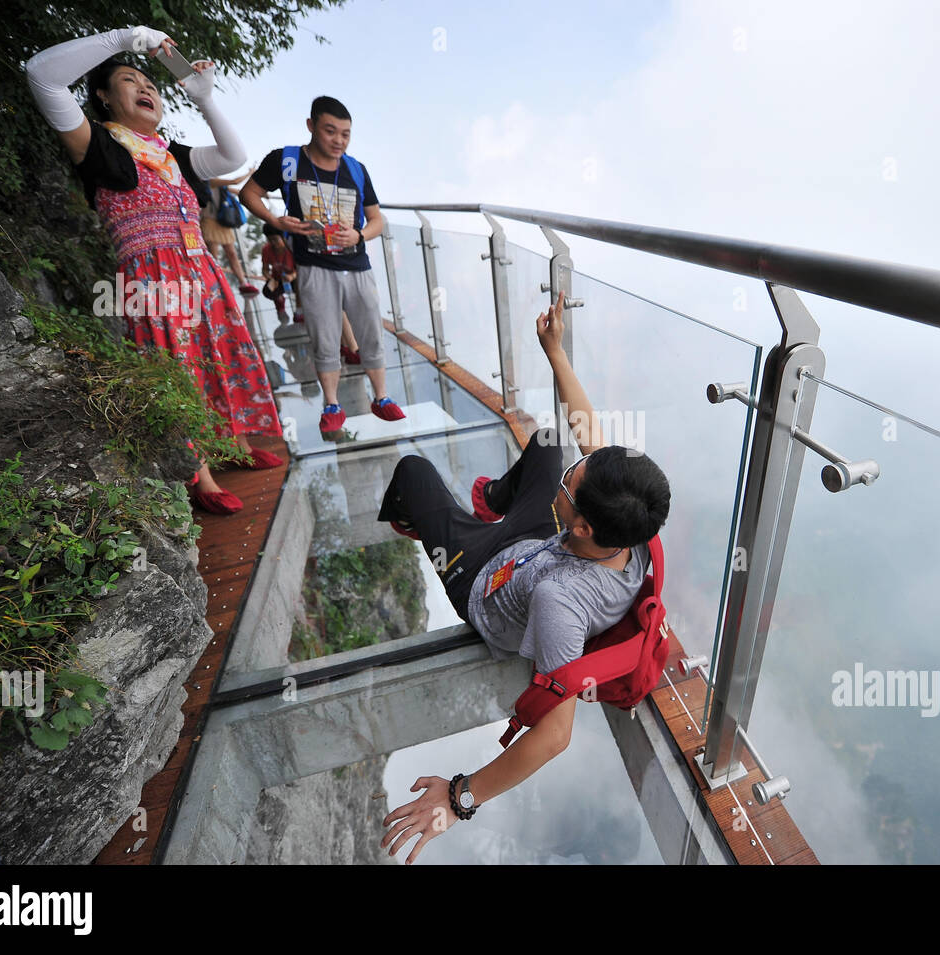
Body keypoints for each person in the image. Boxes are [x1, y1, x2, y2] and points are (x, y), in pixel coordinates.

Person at [377, 292, 671, 864]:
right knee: (546, 441)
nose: (569, 476)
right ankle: (491, 498)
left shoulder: (560, 605)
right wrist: (555, 351)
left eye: (570, 483)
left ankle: (434, 530)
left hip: (482, 583)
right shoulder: (634, 527)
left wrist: (458, 799)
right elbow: (586, 431)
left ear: (583, 520)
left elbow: (555, 736)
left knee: (413, 474)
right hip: (539, 545)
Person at [25, 25, 284, 515]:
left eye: (151, 84)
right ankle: (199, 477)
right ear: (102, 96)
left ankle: (237, 446)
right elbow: (40, 76)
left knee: (222, 358)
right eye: (129, 79)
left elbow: (234, 156)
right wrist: (124, 39)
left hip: (201, 272)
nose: (145, 87)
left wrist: (205, 99)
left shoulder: (172, 155)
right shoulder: (96, 145)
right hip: (153, 281)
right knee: (176, 373)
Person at [239, 96, 405, 431]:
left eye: (345, 134)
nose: (339, 140)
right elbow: (248, 194)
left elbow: (377, 219)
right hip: (313, 267)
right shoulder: (286, 161)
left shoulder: (355, 169)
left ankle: (382, 397)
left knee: (371, 332)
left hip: (357, 266)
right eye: (331, 131)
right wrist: (275, 219)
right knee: (325, 337)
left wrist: (358, 235)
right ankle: (332, 405)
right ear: (311, 126)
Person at [200, 170, 258, 297]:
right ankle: (215, 283)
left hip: (223, 221)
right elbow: (235, 181)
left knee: (232, 254)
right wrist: (250, 172)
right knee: (214, 255)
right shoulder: (209, 180)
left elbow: (235, 191)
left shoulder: (218, 183)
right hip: (210, 221)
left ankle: (243, 283)